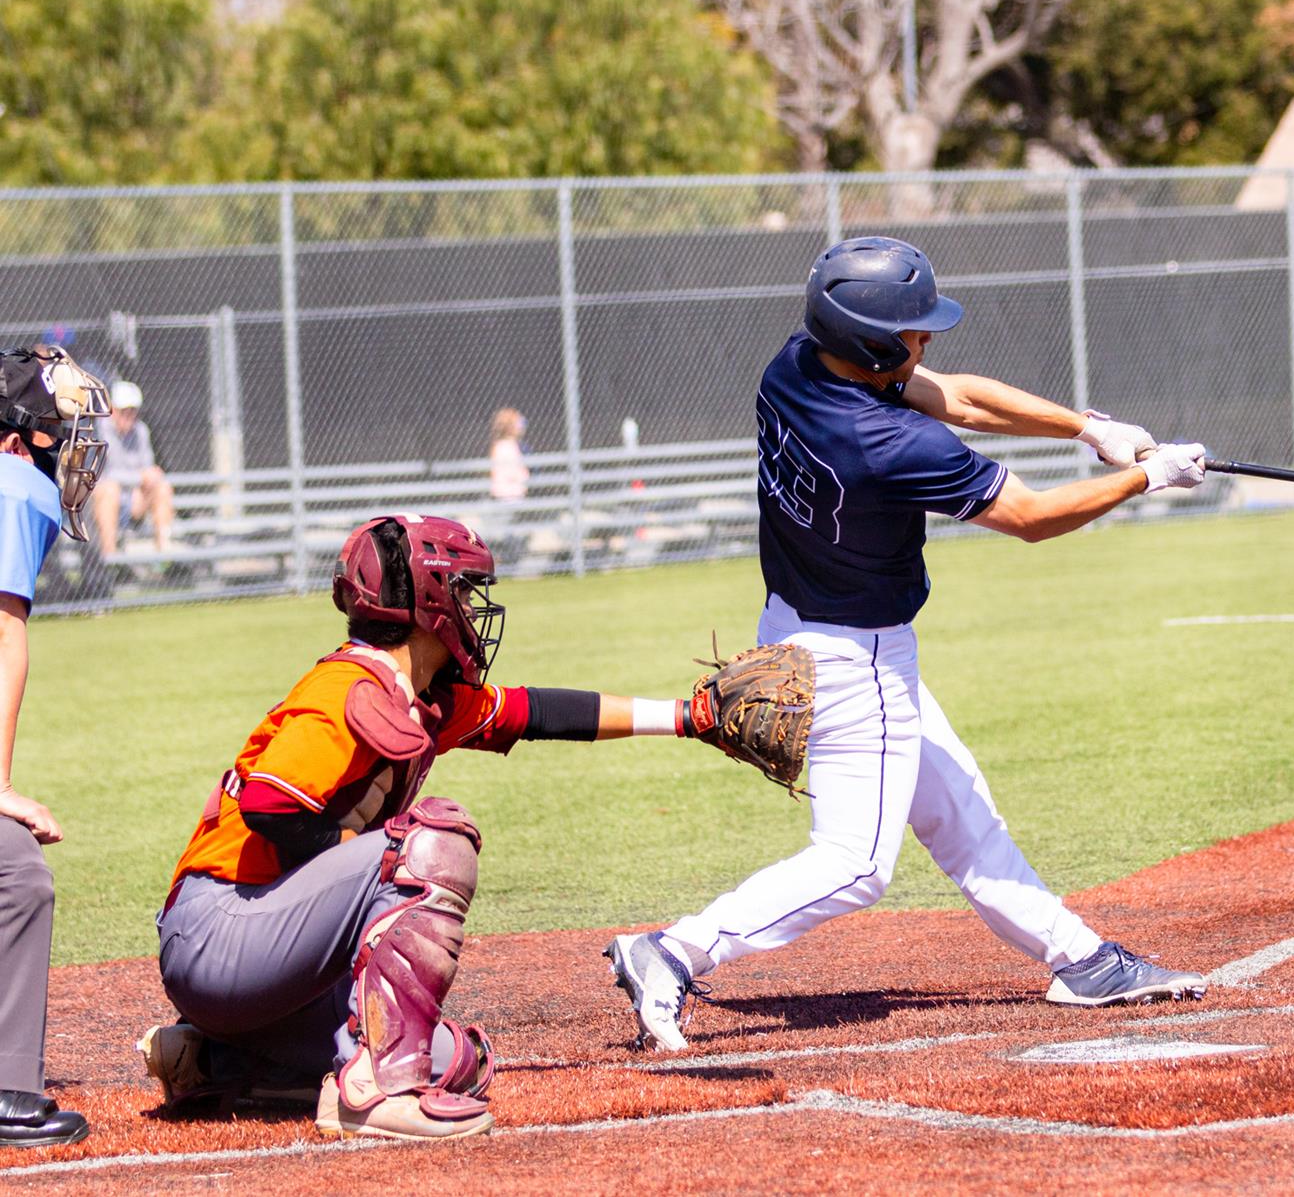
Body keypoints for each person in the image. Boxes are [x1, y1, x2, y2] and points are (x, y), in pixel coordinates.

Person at [603, 235, 1210, 1054]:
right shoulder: (888, 443)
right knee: (857, 863)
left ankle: (1082, 959)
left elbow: (955, 395)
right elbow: (1031, 517)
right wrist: (1148, 476)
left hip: (796, 628)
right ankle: (675, 950)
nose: (925, 338)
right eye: (911, 330)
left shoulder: (794, 366)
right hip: (857, 660)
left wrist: (1089, 428)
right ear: (870, 343)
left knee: (960, 809)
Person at [140, 514, 710, 1140]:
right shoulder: (347, 686)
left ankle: (215, 1060)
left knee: (459, 1063)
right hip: (220, 932)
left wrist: (689, 717)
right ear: (430, 599)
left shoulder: (416, 694)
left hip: (266, 965)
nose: (473, 608)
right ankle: (374, 1092)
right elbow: (269, 805)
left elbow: (536, 712)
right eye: (463, 590)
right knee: (429, 841)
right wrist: (368, 853)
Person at [0, 345, 110, 1148]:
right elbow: (2, 637)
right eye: (53, 432)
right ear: (14, 440)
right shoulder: (12, 484)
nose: (68, 452)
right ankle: (7, 1093)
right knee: (17, 875)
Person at [91, 380, 176, 556]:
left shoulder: (141, 430)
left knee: (162, 487)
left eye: (133, 410)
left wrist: (141, 485)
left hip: (135, 498)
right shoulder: (100, 429)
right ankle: (110, 559)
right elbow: (105, 474)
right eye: (124, 411)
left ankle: (164, 554)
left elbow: (148, 469)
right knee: (109, 490)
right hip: (104, 499)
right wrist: (139, 480)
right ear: (112, 409)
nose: (129, 415)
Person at [487, 408, 529, 503]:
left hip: (512, 493)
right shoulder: (505, 446)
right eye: (518, 424)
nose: (521, 427)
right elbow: (512, 472)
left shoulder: (510, 444)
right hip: (509, 495)